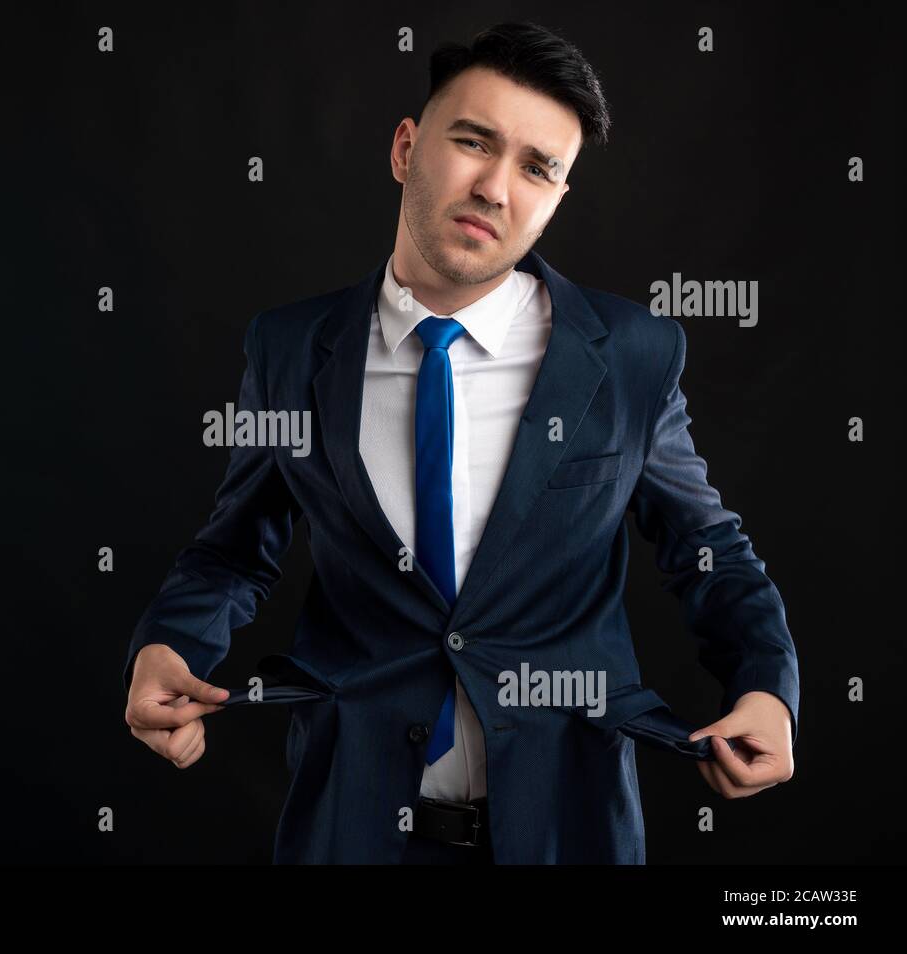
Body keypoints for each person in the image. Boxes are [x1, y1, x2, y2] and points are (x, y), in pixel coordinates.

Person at [122, 21, 798, 864]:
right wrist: (168, 647)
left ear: (557, 198)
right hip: (353, 825)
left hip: (567, 828)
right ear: (406, 147)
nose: (495, 188)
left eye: (537, 168)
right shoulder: (290, 348)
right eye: (473, 143)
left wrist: (767, 687)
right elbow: (233, 549)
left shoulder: (631, 356)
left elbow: (709, 548)